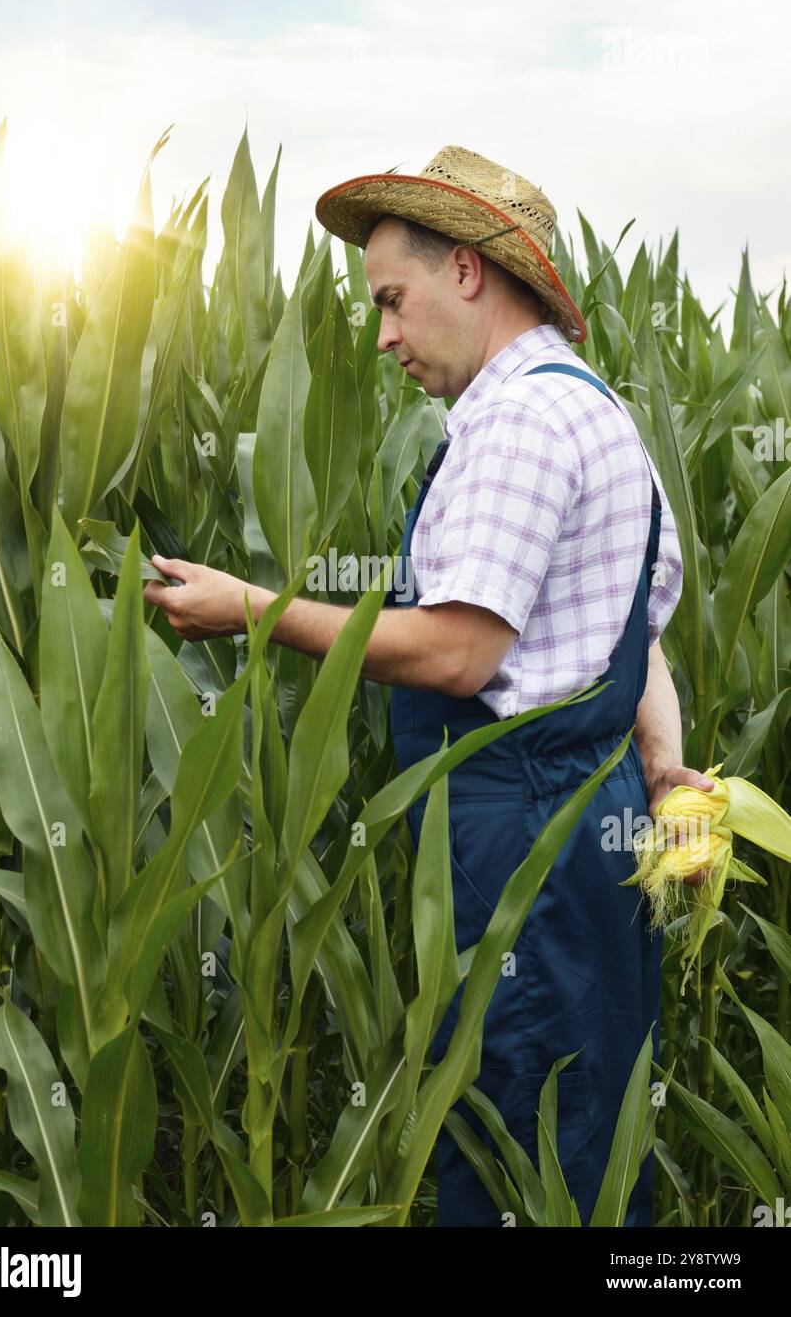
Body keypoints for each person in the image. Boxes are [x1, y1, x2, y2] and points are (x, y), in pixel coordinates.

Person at [143, 144, 716, 1227]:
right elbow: (641, 636)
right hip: (588, 833)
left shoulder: (518, 426)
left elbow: (460, 653)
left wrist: (247, 608)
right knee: (588, 1147)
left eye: (393, 300)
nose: (384, 335)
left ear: (467, 273)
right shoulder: (595, 410)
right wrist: (659, 765)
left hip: (521, 851)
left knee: (513, 1147)